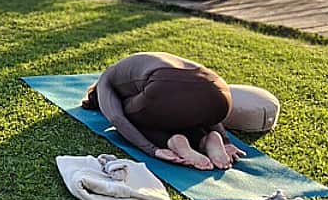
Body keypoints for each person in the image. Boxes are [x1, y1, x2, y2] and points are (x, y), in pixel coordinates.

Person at [82, 52, 245, 171]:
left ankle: (173, 141)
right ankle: (207, 139)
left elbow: (117, 118)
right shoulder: (143, 59)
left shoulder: (105, 79)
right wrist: (225, 139)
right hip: (220, 91)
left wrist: (153, 150)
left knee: (131, 111)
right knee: (183, 106)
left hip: (165, 86)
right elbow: (196, 91)